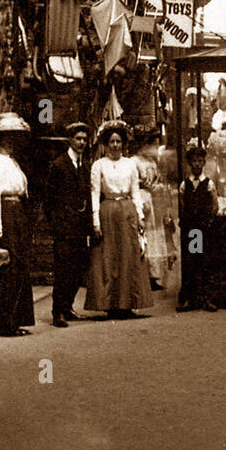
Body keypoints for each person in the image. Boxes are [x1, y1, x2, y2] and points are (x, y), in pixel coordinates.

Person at [85, 121, 153, 319]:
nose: (115, 145)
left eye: (118, 142)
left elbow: (135, 193)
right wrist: (95, 221)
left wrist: (139, 216)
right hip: (107, 211)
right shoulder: (99, 165)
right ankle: (110, 304)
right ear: (106, 144)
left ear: (123, 144)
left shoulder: (130, 164)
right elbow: (94, 193)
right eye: (112, 142)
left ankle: (127, 303)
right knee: (108, 258)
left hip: (127, 211)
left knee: (127, 257)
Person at [0, 112, 35, 337]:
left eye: (14, 137)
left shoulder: (13, 162)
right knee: (5, 270)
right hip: (5, 215)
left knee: (17, 267)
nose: (11, 141)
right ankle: (2, 322)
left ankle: (14, 318)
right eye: (7, 137)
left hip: (16, 213)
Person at [44, 122, 93, 327]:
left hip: (80, 227)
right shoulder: (58, 165)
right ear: (70, 140)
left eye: (84, 139)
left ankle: (68, 306)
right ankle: (58, 312)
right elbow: (49, 199)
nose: (81, 143)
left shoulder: (85, 166)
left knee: (78, 268)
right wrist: (56, 224)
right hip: (64, 228)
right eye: (78, 139)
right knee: (63, 269)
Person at [177, 142, 218, 312]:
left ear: (204, 163)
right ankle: (189, 298)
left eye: (200, 161)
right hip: (191, 229)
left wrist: (208, 220)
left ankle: (206, 297)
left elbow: (215, 206)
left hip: (203, 228)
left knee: (204, 262)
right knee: (190, 262)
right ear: (190, 163)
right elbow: (182, 205)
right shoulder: (184, 185)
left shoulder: (208, 184)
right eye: (194, 161)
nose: (197, 164)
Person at [134, 130, 170, 290]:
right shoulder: (134, 161)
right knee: (144, 236)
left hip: (154, 199)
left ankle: (154, 276)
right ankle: (143, 275)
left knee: (155, 237)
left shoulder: (153, 162)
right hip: (142, 198)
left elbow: (158, 179)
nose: (154, 147)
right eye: (152, 144)